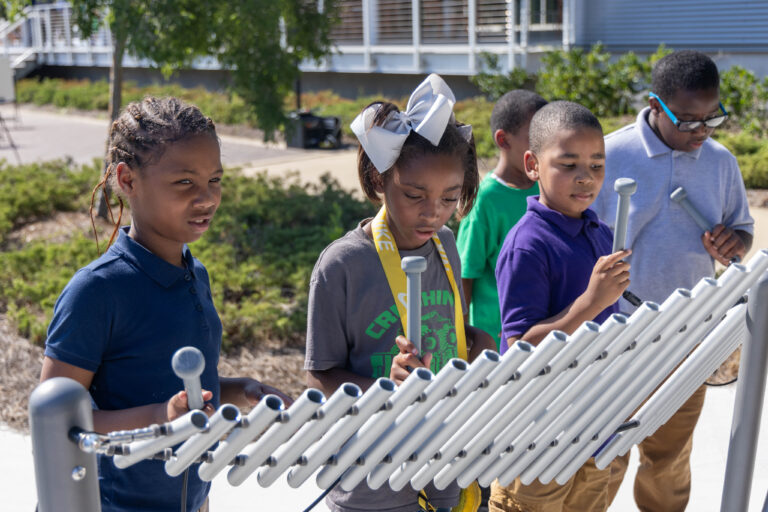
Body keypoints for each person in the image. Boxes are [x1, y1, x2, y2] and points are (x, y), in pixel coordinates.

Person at [40, 97, 290, 512]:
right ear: (127, 179)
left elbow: (183, 396)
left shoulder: (197, 274)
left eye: (215, 180)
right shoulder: (96, 292)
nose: (207, 198)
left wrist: (240, 389)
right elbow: (54, 423)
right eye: (185, 183)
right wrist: (161, 415)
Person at [305, 74, 496, 512]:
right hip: (375, 484)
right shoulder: (342, 266)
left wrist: (475, 342)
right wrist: (382, 387)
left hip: (452, 465)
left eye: (450, 198)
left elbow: (447, 331)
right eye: (415, 195)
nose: (434, 212)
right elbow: (320, 376)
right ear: (379, 177)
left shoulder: (446, 244)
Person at [592, 50, 754, 512]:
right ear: (654, 104)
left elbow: (741, 231)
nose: (700, 131)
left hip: (688, 339)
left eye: (711, 118)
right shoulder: (608, 154)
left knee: (669, 461)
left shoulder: (720, 162)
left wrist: (733, 243)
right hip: (614, 339)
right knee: (602, 458)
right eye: (686, 120)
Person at [491, 101, 631, 511]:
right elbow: (520, 348)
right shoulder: (527, 245)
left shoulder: (599, 233)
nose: (585, 178)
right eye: (568, 165)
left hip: (594, 425)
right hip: (539, 436)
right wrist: (589, 303)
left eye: (597, 165)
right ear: (532, 165)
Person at [457, 90, 547, 349]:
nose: (544, 145)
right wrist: (463, 342)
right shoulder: (486, 199)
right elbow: (466, 275)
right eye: (535, 137)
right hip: (495, 341)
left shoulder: (547, 188)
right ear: (503, 140)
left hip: (540, 332)